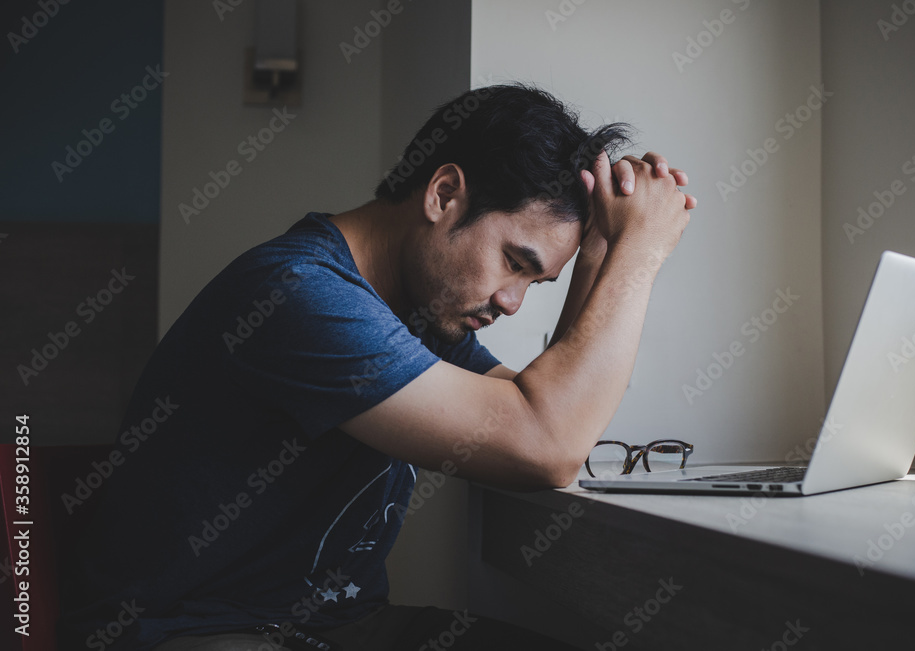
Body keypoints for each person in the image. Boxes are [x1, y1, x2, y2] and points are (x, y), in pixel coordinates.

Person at [57, 82, 695, 650]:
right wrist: (640, 254)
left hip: (338, 628)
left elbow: (553, 418)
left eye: (536, 281)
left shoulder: (421, 314)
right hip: (189, 631)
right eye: (514, 262)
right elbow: (544, 443)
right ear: (444, 194)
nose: (512, 302)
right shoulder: (298, 294)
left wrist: (603, 252)